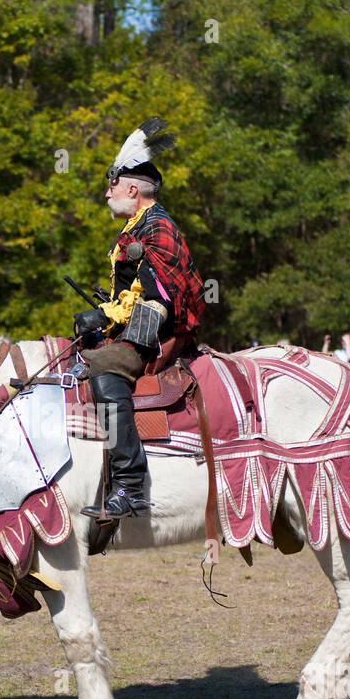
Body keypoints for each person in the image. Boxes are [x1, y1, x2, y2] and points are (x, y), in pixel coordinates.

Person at [75, 118, 206, 519]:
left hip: (157, 332)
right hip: (133, 323)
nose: (106, 192)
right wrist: (103, 315)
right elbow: (132, 290)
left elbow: (158, 298)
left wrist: (105, 316)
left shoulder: (158, 226)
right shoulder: (136, 226)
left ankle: (130, 485)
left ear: (132, 189)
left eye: (111, 184)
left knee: (105, 373)